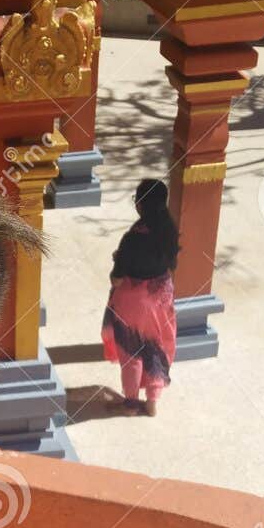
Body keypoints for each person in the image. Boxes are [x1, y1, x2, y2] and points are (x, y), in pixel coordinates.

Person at [102, 178, 179, 416]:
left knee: (132, 350)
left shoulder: (132, 238)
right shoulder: (169, 230)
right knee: (156, 346)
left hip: (133, 301)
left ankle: (132, 403)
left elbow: (116, 278)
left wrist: (119, 259)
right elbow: (170, 264)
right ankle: (153, 400)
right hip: (161, 297)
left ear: (140, 205)